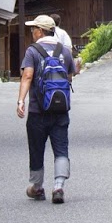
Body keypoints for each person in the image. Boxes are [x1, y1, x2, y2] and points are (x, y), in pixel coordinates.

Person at [17, 13, 75, 203]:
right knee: (61, 148)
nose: (32, 32)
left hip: (37, 110)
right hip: (60, 111)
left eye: (33, 29)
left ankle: (37, 186)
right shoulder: (64, 51)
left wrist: (21, 101)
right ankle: (58, 186)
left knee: (36, 148)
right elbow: (69, 77)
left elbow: (27, 76)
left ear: (40, 31)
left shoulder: (32, 51)